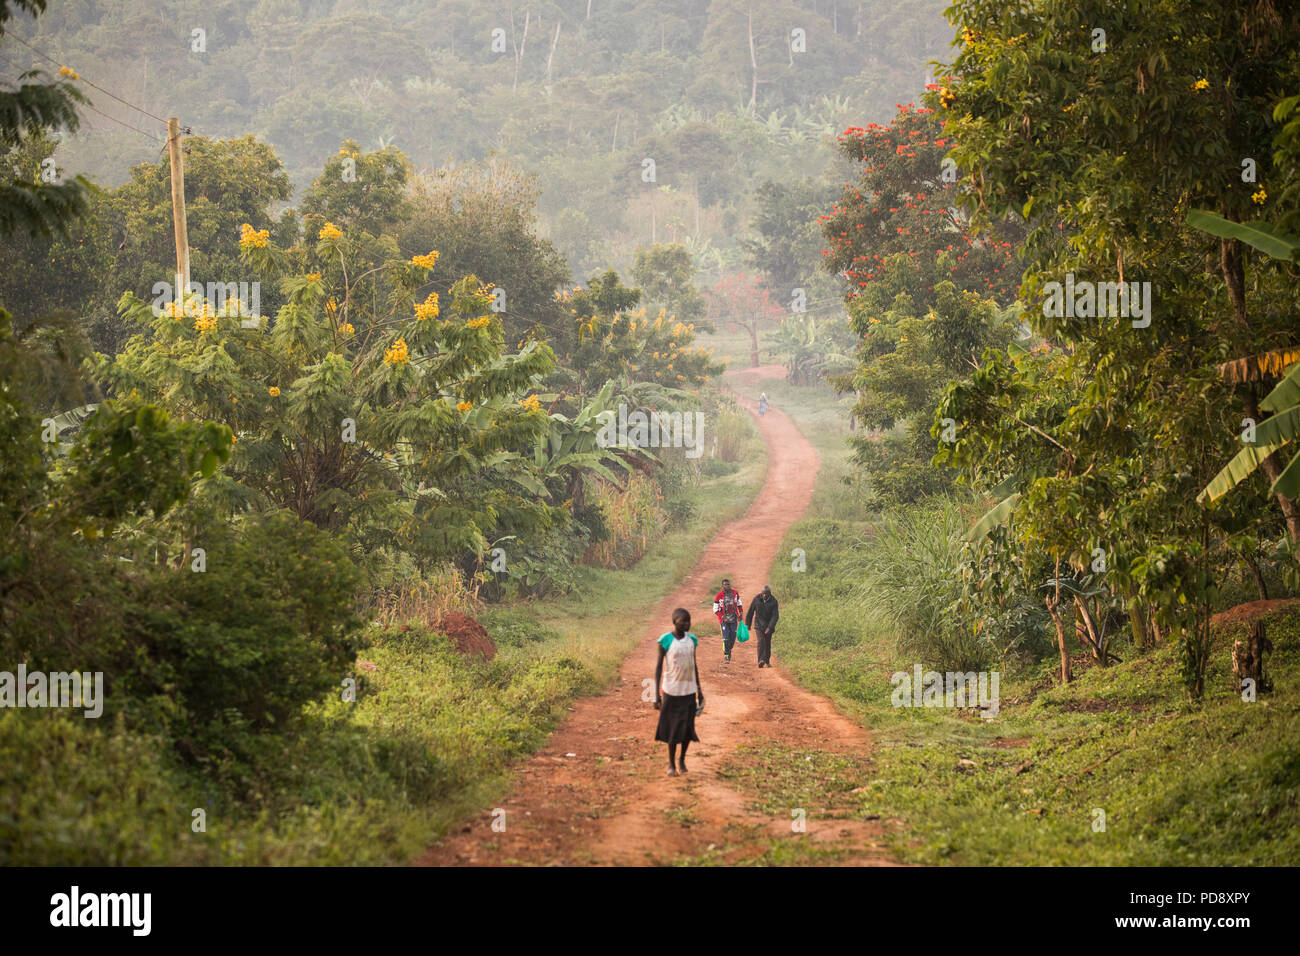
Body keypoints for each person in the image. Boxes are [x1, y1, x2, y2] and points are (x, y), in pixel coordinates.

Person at [654, 608, 703, 777]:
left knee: (688, 729)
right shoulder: (665, 641)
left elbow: (694, 665)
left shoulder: (692, 641)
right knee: (673, 729)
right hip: (671, 691)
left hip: (689, 691)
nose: (687, 624)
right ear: (675, 621)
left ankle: (682, 758)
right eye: (684, 621)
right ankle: (671, 763)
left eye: (689, 621)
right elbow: (659, 667)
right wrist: (656, 695)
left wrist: (700, 691)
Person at [745, 584, 780, 668]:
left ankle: (767, 661)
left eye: (766, 594)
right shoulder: (757, 599)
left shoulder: (774, 601)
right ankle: (760, 660)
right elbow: (750, 611)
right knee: (761, 641)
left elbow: (775, 616)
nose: (764, 595)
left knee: (767, 643)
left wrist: (770, 627)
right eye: (763, 593)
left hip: (768, 625)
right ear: (761, 593)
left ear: (770, 593)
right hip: (758, 624)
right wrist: (748, 624)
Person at [713, 578, 743, 663]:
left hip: (733, 619)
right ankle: (726, 656)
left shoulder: (735, 593)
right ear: (722, 586)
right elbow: (715, 609)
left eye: (728, 584)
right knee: (725, 638)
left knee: (732, 638)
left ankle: (729, 650)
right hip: (724, 621)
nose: (727, 586)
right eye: (725, 584)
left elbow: (739, 604)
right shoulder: (719, 596)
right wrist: (722, 617)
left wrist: (741, 613)